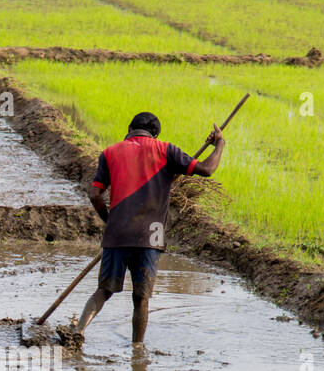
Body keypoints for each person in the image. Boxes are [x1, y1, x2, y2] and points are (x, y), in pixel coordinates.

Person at [66, 110, 225, 346]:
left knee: (104, 290)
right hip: (152, 236)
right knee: (141, 298)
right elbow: (206, 170)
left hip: (117, 233)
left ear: (129, 130)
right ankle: (137, 349)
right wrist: (219, 145)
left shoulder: (110, 153)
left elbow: (94, 194)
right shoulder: (166, 150)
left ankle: (79, 331)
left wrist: (109, 221)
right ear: (155, 133)